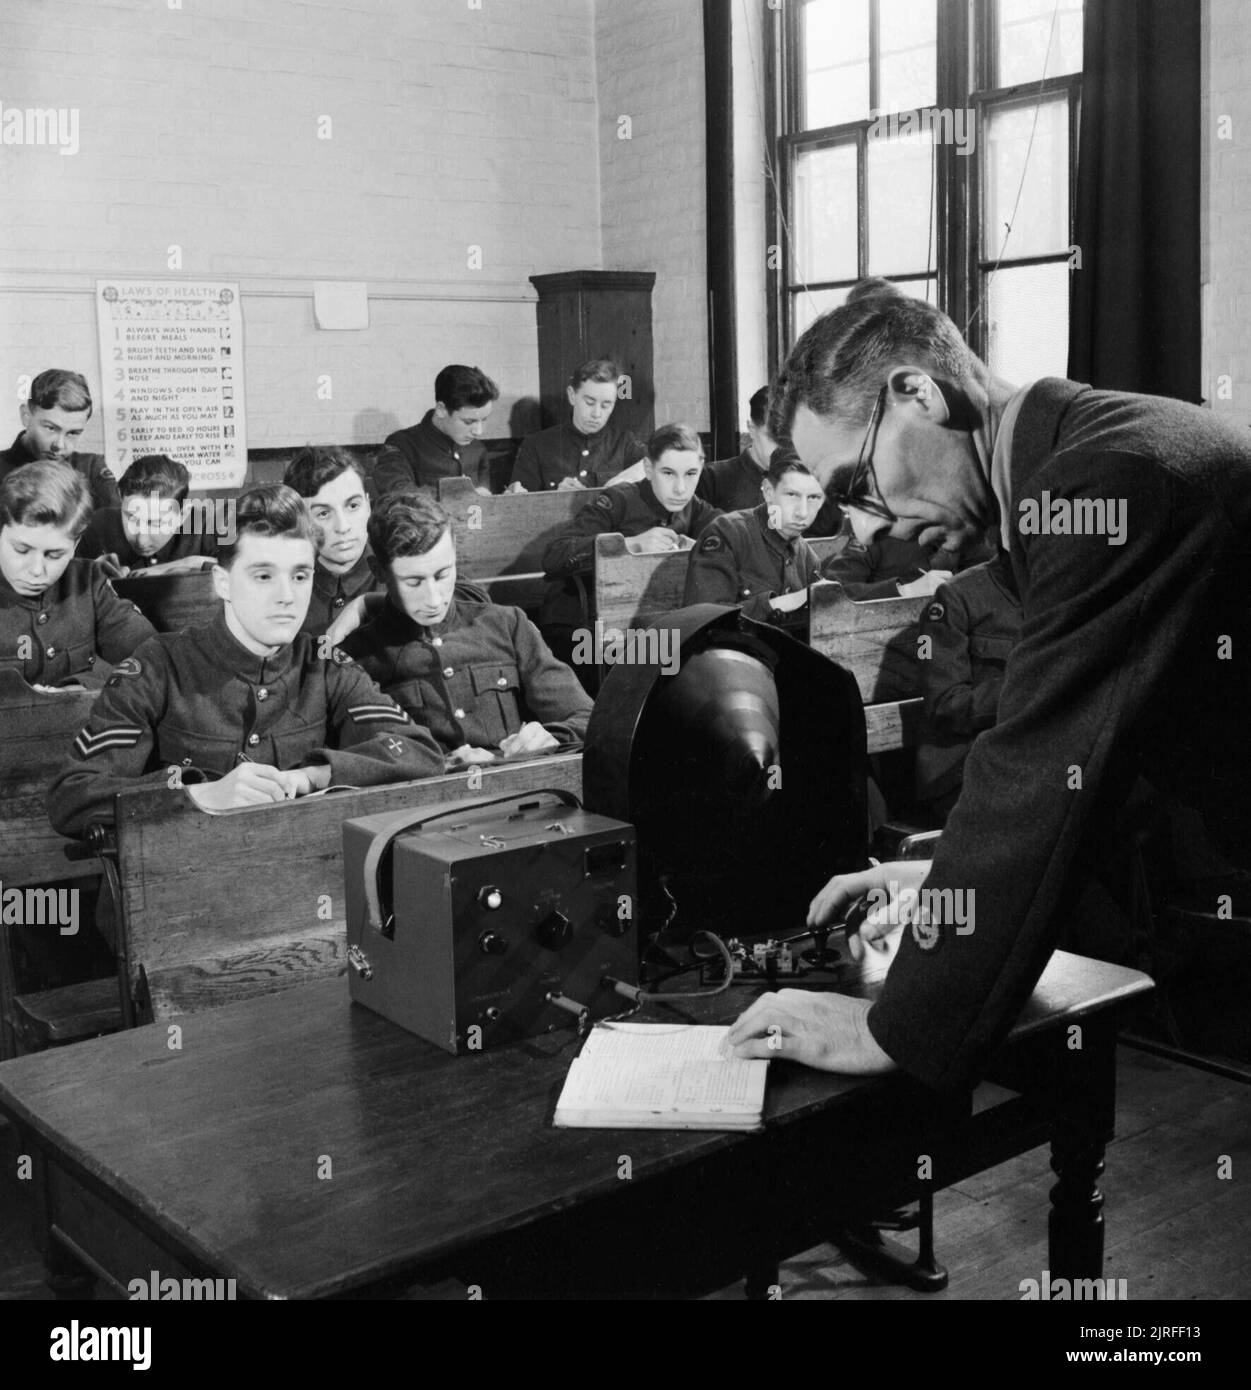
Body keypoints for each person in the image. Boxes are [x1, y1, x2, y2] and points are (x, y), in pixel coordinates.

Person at [727, 282, 1251, 1092]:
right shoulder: (1082, 465)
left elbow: (1043, 770)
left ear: (918, 395)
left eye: (852, 486)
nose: (863, 528)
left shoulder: (1101, 484)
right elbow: (1107, 755)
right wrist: (951, 880)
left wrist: (889, 1026)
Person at [46, 485, 444, 838]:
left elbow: (420, 753)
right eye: (264, 576)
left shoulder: (324, 666)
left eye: (301, 575)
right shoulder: (158, 666)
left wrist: (312, 776)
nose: (287, 596)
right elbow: (74, 797)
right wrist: (195, 793)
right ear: (223, 582)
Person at [340, 491, 592, 764]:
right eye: (413, 582)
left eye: (443, 574)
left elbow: (587, 718)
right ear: (378, 571)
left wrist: (551, 736)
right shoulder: (357, 657)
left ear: (455, 552)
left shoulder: (506, 625)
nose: (434, 599)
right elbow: (360, 760)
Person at [539, 423, 721, 662]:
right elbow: (554, 557)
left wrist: (700, 546)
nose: (680, 488)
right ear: (648, 468)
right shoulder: (617, 499)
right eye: (668, 473)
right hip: (582, 628)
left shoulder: (693, 506)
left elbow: (732, 532)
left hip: (650, 627)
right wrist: (630, 545)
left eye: (691, 474)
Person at [0, 463, 154, 688]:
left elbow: (152, 657)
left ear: (76, 544)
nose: (36, 570)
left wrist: (84, 686)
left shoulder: (89, 583)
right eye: (21, 550)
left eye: (54, 555)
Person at [914, 552, 1023, 822]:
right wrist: (1025, 687)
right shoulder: (957, 597)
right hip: (961, 768)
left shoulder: (1065, 593)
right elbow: (944, 704)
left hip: (1031, 754)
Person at [683, 453, 826, 629]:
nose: (802, 512)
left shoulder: (808, 559)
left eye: (813, 497)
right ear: (768, 492)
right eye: (792, 495)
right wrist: (780, 603)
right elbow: (702, 620)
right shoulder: (727, 533)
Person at [282, 446, 381, 637]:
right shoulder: (283, 589)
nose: (343, 527)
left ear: (368, 505)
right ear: (297, 520)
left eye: (353, 506)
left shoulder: (400, 575)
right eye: (323, 513)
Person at [508, 359, 645, 491]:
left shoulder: (626, 443)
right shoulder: (536, 446)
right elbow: (519, 504)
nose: (597, 413)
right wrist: (556, 499)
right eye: (589, 402)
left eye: (606, 405)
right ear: (572, 395)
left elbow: (654, 468)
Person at [0, 369, 120, 512]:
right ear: (26, 416)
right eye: (50, 428)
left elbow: (115, 527)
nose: (59, 445)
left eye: (73, 433)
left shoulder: (90, 469)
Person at [77, 454, 218, 575]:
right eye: (131, 518)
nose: (141, 541)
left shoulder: (209, 525)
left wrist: (191, 563)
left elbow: (234, 568)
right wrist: (89, 571)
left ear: (182, 515)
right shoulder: (98, 524)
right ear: (121, 497)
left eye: (156, 523)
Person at [374, 365, 498, 496]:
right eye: (468, 422)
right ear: (441, 410)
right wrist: (458, 496)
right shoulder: (401, 445)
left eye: (484, 419)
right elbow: (398, 495)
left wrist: (510, 497)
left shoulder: (478, 450)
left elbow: (485, 510)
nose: (479, 431)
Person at [695, 385, 778, 513]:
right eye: (773, 438)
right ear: (752, 429)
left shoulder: (808, 480)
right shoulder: (711, 479)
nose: (783, 449)